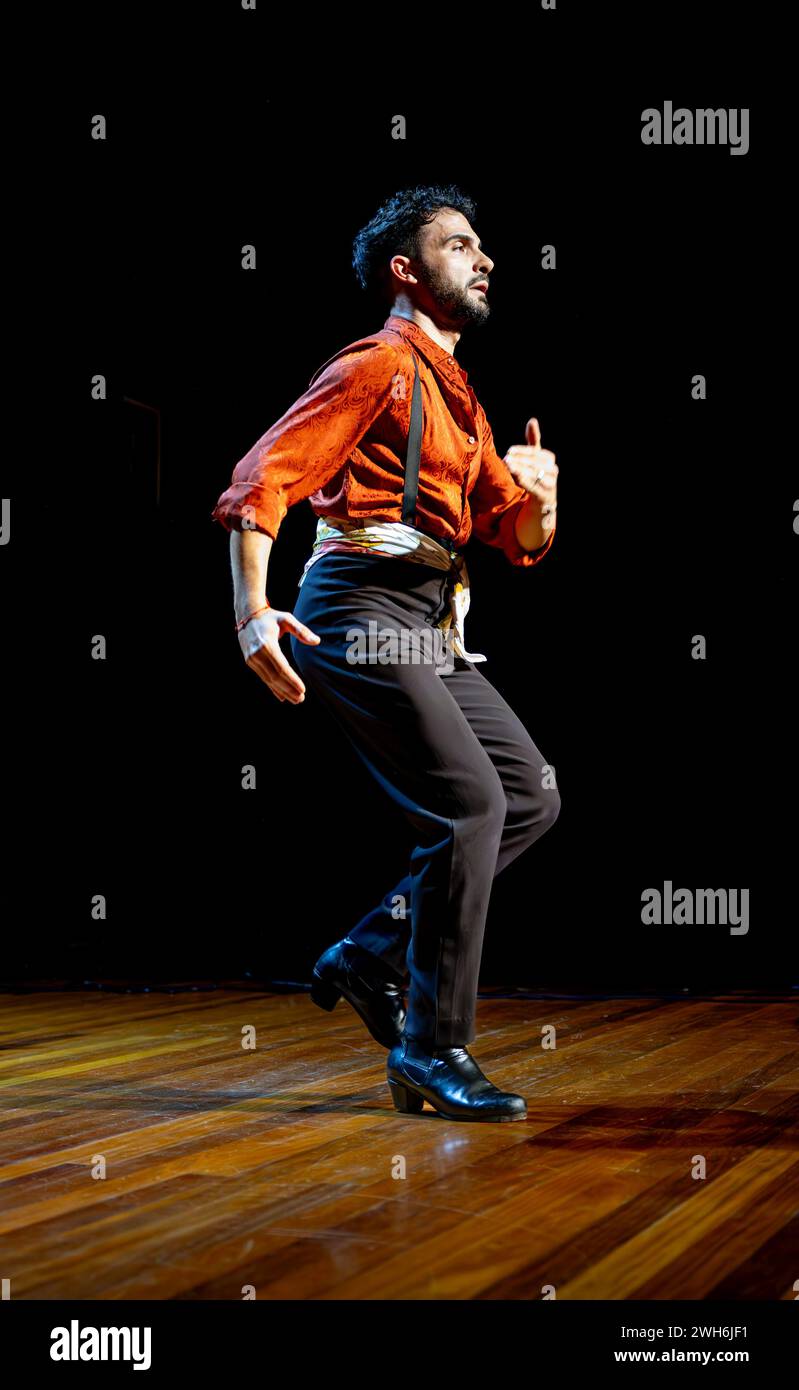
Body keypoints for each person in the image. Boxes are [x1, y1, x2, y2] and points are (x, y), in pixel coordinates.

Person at [211, 184, 561, 1122]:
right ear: (406, 270)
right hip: (359, 603)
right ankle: (430, 1049)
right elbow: (262, 480)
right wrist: (254, 612)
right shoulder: (374, 366)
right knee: (469, 804)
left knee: (528, 795)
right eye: (459, 244)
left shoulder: (465, 403)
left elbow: (513, 537)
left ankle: (366, 954)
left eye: (485, 246)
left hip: (431, 618)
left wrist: (543, 494)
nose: (483, 258)